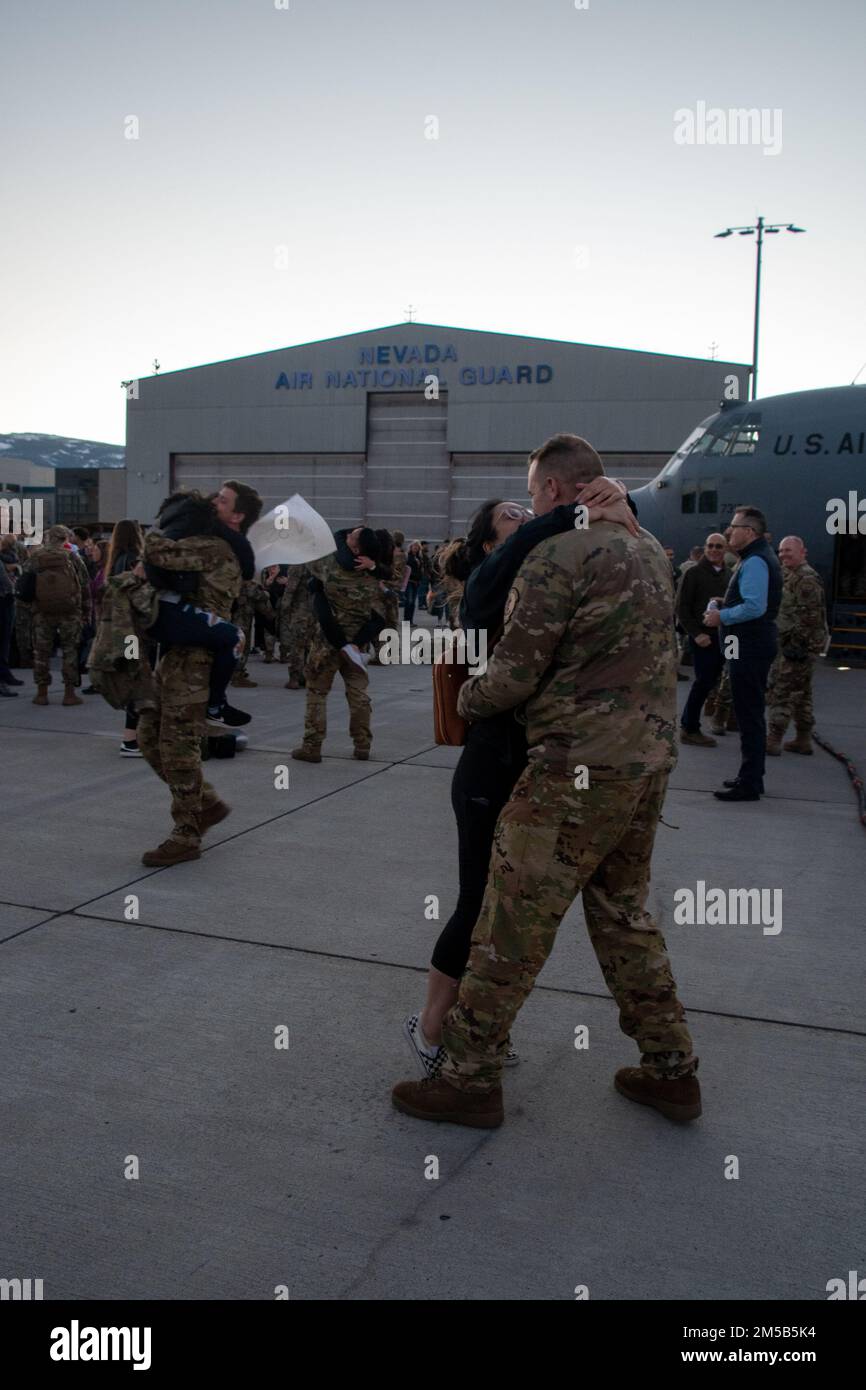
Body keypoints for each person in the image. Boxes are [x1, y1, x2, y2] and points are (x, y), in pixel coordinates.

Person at [391, 433, 699, 1131]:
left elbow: (514, 673)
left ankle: (468, 1080)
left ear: (555, 491)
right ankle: (671, 1069)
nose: (531, 506)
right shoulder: (648, 550)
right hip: (645, 766)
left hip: (574, 768)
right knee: (624, 917)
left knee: (509, 924)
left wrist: (464, 700)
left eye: (534, 493)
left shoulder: (557, 554)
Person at [403, 479, 637, 1082]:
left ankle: (478, 1029)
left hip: (536, 769)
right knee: (477, 900)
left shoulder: (543, 582)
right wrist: (565, 513)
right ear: (487, 543)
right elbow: (498, 580)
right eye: (510, 515)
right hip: (489, 765)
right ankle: (432, 1024)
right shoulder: (487, 588)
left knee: (511, 912)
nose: (524, 515)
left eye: (524, 507)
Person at [136, 490, 248, 867]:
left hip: (195, 660)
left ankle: (186, 833)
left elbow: (157, 554)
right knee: (147, 736)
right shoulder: (204, 545)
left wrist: (156, 529)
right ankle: (207, 804)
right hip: (175, 655)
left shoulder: (210, 547)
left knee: (177, 745)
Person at [703, 505, 781, 802]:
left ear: (749, 532)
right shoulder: (756, 557)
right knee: (748, 712)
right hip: (748, 645)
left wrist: (720, 617)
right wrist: (725, 602)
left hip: (750, 646)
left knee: (749, 715)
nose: (728, 532)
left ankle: (749, 783)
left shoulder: (756, 562)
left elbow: (754, 607)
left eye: (733, 527)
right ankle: (750, 776)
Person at [291, 527, 383, 763]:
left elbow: (309, 557)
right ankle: (362, 745)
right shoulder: (372, 575)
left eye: (354, 534)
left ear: (355, 547)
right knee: (358, 694)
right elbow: (380, 613)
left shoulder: (330, 568)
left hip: (327, 643)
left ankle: (312, 746)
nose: (349, 532)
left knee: (317, 692)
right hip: (357, 646)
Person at [766, 536, 829, 756]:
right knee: (802, 693)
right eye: (781, 551)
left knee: (782, 690)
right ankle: (803, 739)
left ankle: (774, 738)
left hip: (798, 645)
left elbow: (810, 616)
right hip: (790, 642)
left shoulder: (806, 578)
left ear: (803, 552)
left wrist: (797, 645)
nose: (783, 555)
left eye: (788, 551)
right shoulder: (790, 574)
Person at [19, 525, 90, 706]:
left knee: (42, 652)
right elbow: (84, 583)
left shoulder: (36, 557)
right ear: (65, 539)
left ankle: (42, 693)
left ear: (48, 538)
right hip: (69, 612)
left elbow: (25, 583)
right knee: (70, 651)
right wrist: (85, 610)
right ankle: (69, 694)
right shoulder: (72, 557)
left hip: (42, 612)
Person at [677, 533, 729, 747]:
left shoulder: (729, 575)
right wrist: (696, 634)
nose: (714, 549)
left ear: (725, 549)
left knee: (715, 681)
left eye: (718, 546)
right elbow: (681, 607)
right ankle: (689, 727)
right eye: (710, 546)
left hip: (722, 638)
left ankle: (715, 719)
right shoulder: (694, 573)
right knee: (703, 682)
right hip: (702, 639)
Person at [277, 562, 314, 688]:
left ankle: (294, 678)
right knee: (309, 646)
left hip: (300, 612)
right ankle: (307, 677)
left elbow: (290, 589)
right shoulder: (318, 565)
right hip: (314, 612)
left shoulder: (298, 565)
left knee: (297, 646)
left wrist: (284, 608)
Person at [0, 536, 24, 696]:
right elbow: (5, 581)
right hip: (4, 599)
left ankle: (4, 674)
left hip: (6, 600)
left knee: (4, 641)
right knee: (3, 640)